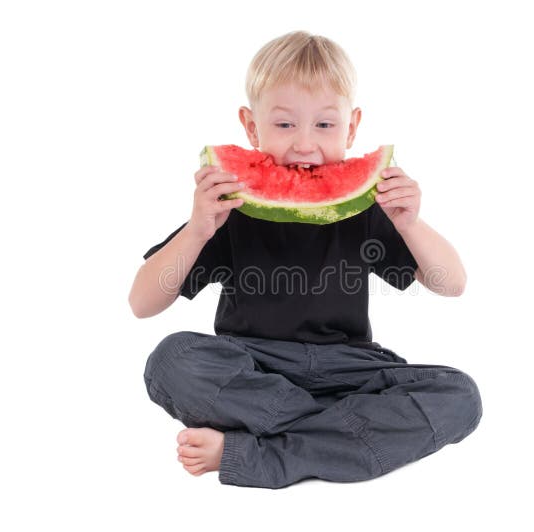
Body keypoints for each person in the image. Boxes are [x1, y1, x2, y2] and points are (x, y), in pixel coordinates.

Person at [128, 30, 482, 489]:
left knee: (460, 396)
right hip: (253, 367)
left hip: (351, 367)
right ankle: (342, 435)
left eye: (324, 125)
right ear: (251, 127)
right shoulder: (229, 210)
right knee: (169, 359)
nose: (304, 144)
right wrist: (198, 229)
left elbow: (451, 283)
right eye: (284, 124)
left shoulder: (365, 207)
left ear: (352, 127)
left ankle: (256, 454)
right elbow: (142, 303)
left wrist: (410, 223)